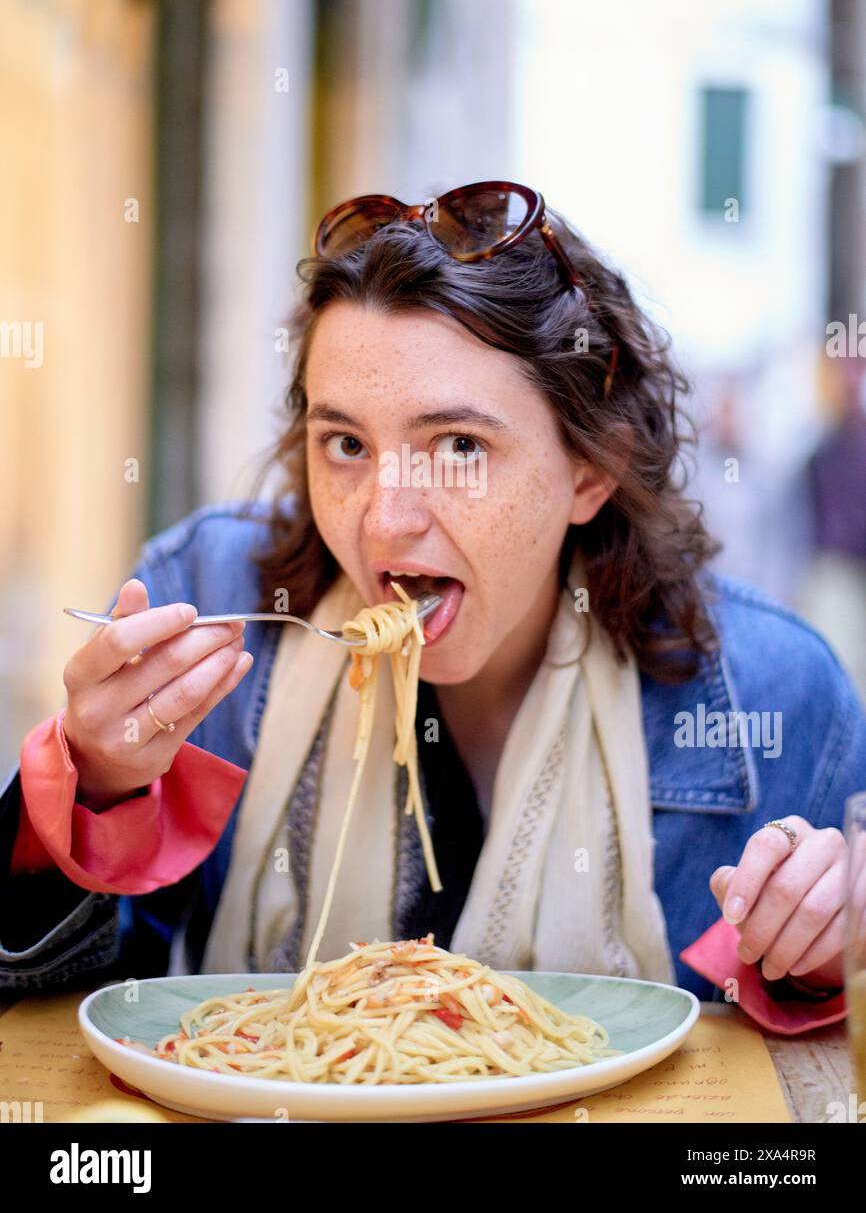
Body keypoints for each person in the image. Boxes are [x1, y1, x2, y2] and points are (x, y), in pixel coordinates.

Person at [2, 183, 862, 1040]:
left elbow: (813, 1033)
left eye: (458, 447)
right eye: (346, 444)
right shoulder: (215, 599)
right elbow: (81, 1003)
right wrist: (96, 790)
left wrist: (823, 959)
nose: (383, 520)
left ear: (593, 469)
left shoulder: (773, 699)